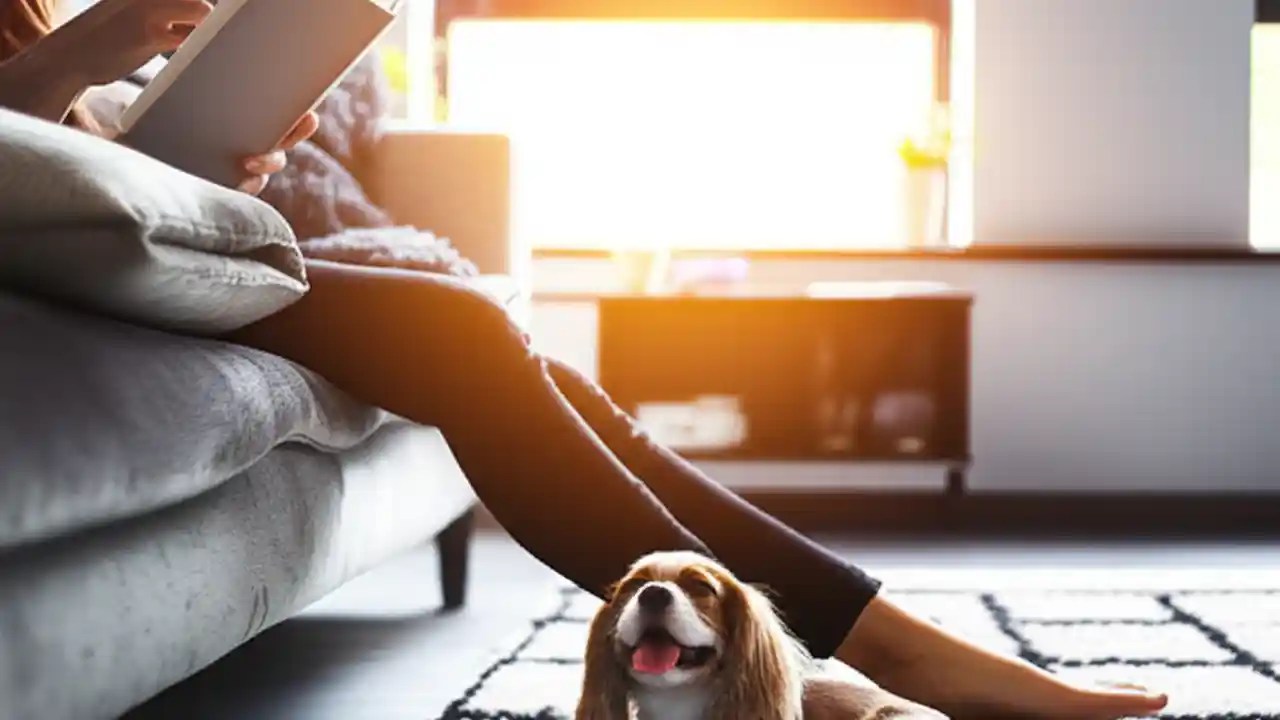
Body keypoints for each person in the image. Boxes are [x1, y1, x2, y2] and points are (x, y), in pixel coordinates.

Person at [0, 2, 1168, 717]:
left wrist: (219, 165)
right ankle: (795, 669)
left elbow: (102, 168)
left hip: (119, 256)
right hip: (48, 271)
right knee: (452, 328)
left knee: (521, 365)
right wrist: (85, 55)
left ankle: (876, 645)